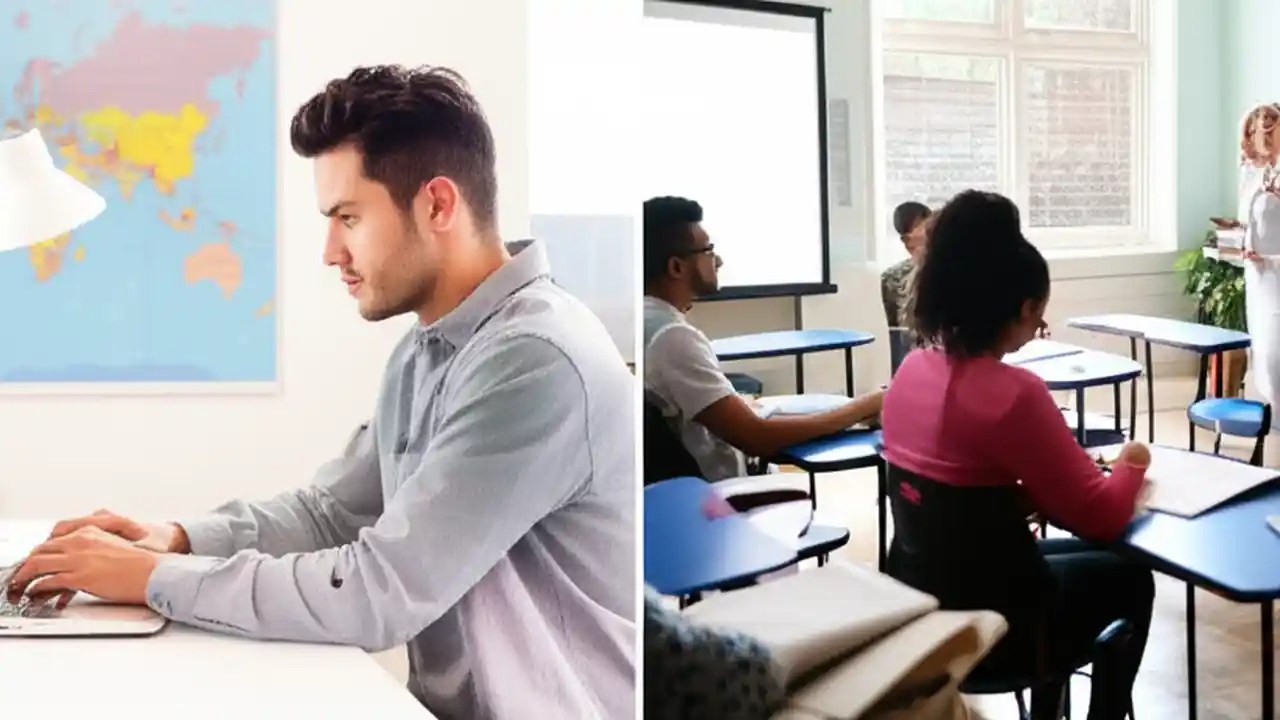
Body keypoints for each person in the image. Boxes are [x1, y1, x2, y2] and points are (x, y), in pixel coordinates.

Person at [5, 65, 635, 719]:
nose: (330, 252)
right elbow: (331, 515)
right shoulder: (429, 347)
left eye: (348, 218)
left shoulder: (536, 361)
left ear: (438, 206)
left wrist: (154, 579)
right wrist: (177, 539)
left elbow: (380, 593)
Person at [879, 190, 1154, 719]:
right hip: (1002, 627)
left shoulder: (911, 372)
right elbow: (1100, 515)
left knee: (1079, 560)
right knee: (1129, 574)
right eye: (1039, 317)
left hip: (926, 608)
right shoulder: (1015, 394)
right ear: (1025, 308)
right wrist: (1134, 461)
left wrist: (1020, 497)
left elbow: (955, 496)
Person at [643, 195, 883, 482]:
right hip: (719, 495)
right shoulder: (673, 339)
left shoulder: (645, 321)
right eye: (708, 251)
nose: (718, 261)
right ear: (676, 267)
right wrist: (868, 405)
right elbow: (757, 438)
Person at [1238, 103, 1280, 466]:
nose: (1257, 137)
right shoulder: (1256, 174)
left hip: (1276, 275)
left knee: (1277, 359)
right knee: (1264, 358)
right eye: (1252, 131)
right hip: (1258, 280)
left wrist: (1270, 260)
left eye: (1265, 129)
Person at [880, 200, 930, 331]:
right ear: (907, 241)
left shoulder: (952, 269)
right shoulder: (891, 279)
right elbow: (894, 331)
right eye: (927, 231)